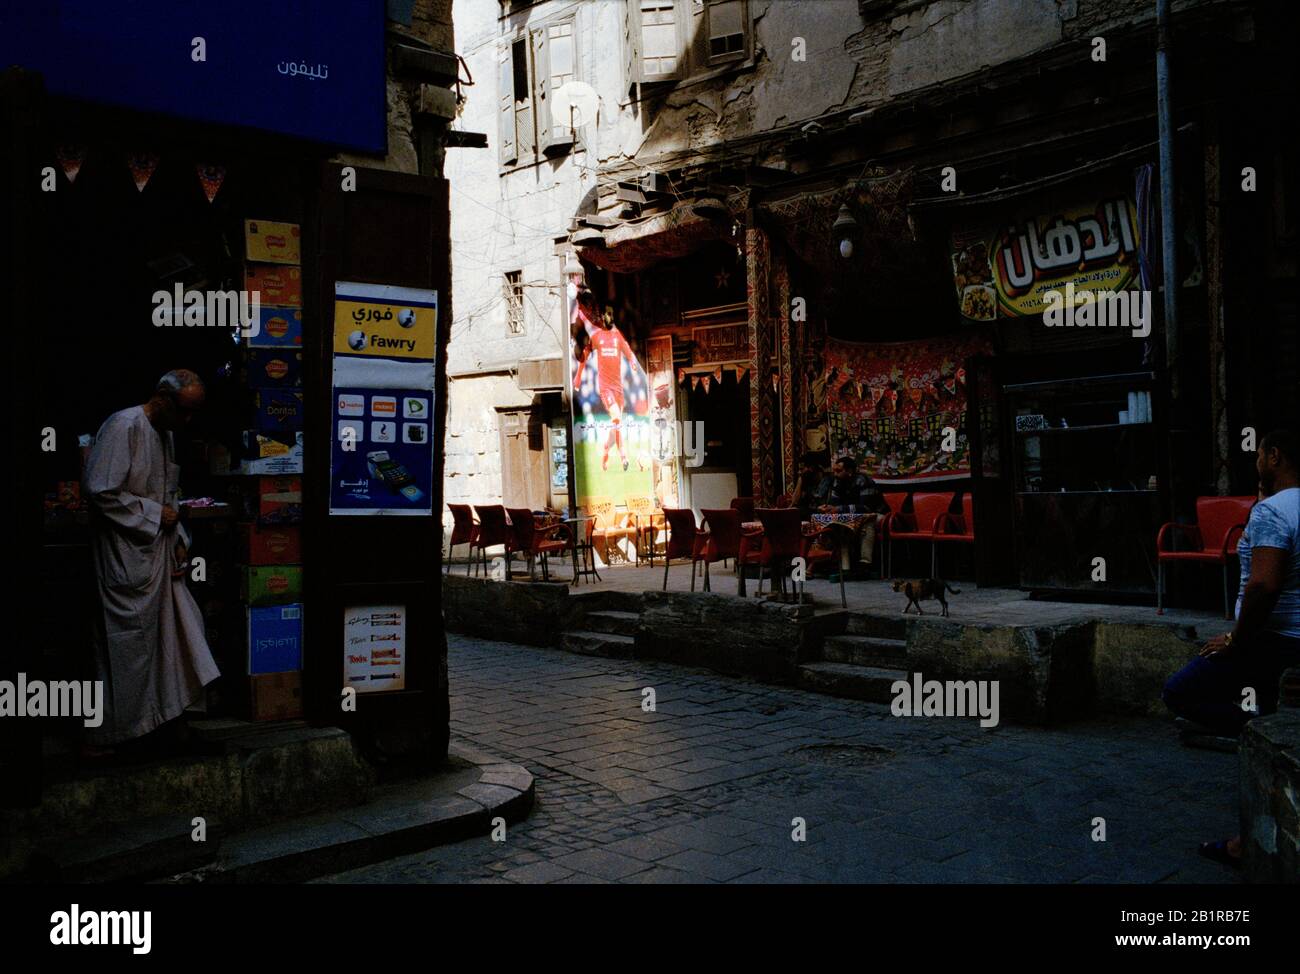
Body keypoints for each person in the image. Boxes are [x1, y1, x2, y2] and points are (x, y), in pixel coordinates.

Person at [1162, 428, 1300, 868]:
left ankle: (1262, 731)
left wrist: (1237, 638)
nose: (1255, 459)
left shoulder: (1273, 513)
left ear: (1274, 455)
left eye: (1260, 453)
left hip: (1270, 641)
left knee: (1181, 692)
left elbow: (1263, 584)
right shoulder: (1277, 508)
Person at [82, 369, 221, 756]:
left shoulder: (166, 436)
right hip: (125, 556)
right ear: (163, 398)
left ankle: (165, 722)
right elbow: (101, 490)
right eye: (185, 412)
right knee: (129, 649)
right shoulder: (123, 426)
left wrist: (178, 540)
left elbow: (170, 494)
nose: (188, 422)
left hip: (159, 555)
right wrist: (152, 515)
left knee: (174, 640)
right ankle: (116, 735)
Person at [572, 287, 639, 472]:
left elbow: (628, 350)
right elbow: (584, 357)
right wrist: (577, 379)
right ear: (602, 318)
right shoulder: (597, 337)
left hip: (618, 389)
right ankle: (624, 456)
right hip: (606, 388)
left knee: (616, 424)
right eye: (606, 315)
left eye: (611, 315)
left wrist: (633, 362)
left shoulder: (617, 337)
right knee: (617, 418)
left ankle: (605, 451)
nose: (608, 318)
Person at [820, 454, 888, 515]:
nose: (835, 474)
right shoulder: (838, 481)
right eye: (834, 471)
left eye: (838, 471)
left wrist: (839, 509)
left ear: (849, 471)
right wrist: (828, 507)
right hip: (852, 516)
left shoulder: (863, 481)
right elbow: (834, 504)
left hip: (876, 515)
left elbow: (867, 508)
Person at [791, 452, 829, 516]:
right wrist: (800, 479)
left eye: (801, 469)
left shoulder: (828, 481)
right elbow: (795, 502)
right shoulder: (807, 482)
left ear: (812, 468)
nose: (799, 472)